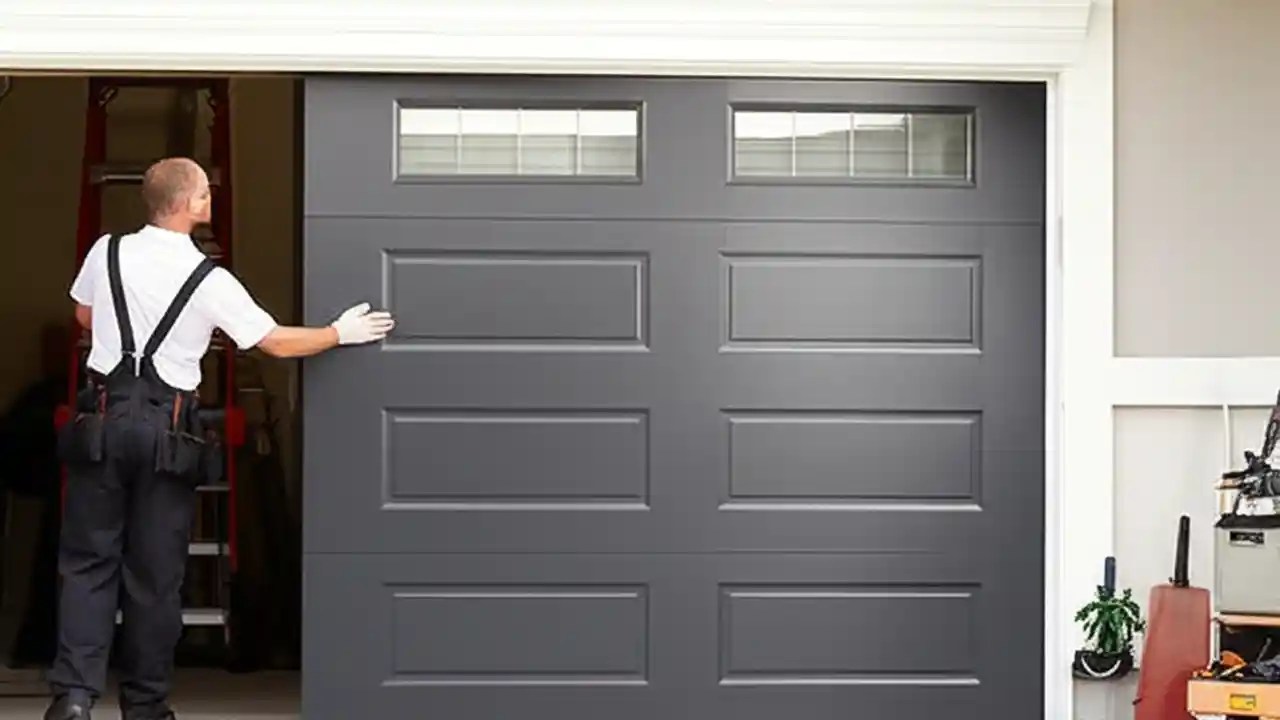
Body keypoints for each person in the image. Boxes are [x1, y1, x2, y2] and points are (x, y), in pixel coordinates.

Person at [44, 157, 394, 720]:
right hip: (167, 432)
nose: (211, 203)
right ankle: (145, 706)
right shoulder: (209, 279)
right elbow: (273, 342)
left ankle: (76, 698)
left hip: (102, 426)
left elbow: (85, 315)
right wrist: (338, 333)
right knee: (154, 578)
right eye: (206, 194)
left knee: (87, 565)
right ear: (191, 204)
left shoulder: (105, 252)